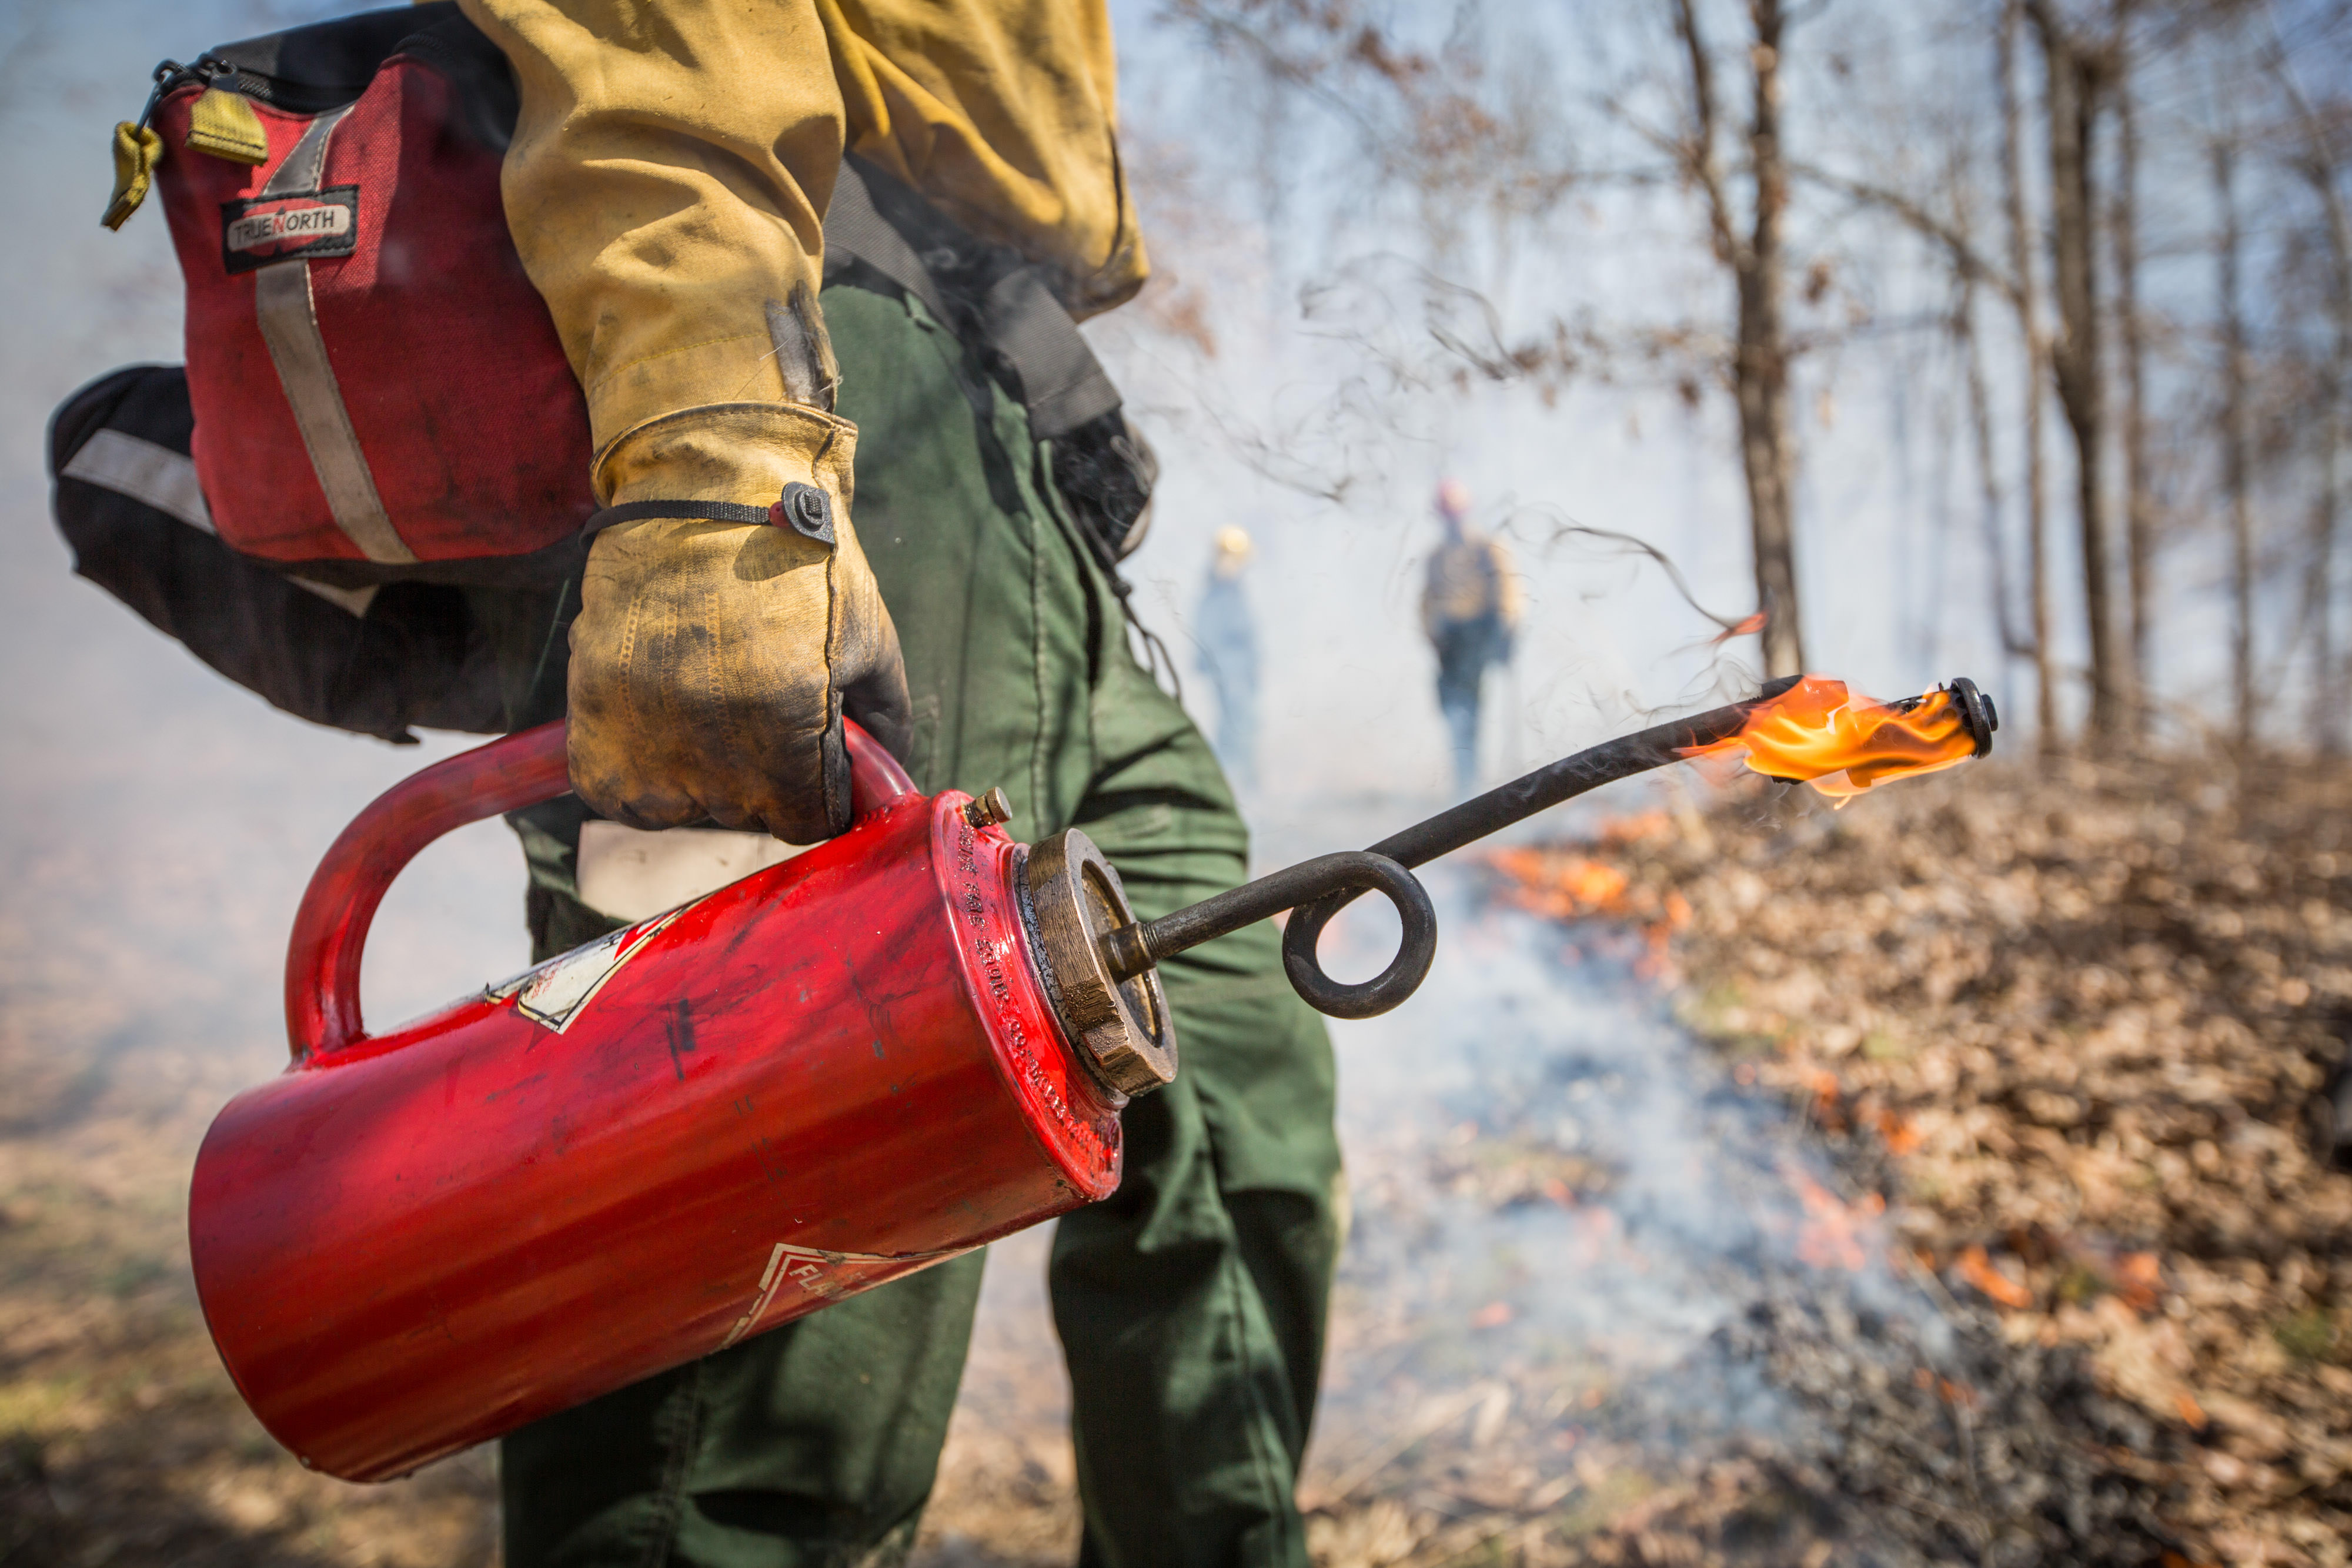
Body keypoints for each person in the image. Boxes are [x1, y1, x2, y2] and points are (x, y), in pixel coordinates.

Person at [72, 5, 1344, 1567]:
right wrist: (719, 476)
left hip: (991, 432)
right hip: (791, 399)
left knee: (1216, 1072)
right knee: (764, 1268)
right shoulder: (745, 447)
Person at [1419, 480, 1523, 794]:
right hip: (1450, 644)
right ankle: (1464, 778)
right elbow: (1427, 602)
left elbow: (1507, 595)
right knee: (1452, 708)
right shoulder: (1436, 556)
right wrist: (1433, 636)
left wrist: (1503, 635)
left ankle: (1475, 783)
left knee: (1471, 709)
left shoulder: (1487, 548)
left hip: (1478, 638)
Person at [1195, 527, 1261, 787]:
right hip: (1229, 672)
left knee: (1242, 728)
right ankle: (1234, 785)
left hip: (1239, 671)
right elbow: (1213, 638)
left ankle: (1241, 783)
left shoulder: (1232, 592)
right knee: (1235, 731)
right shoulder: (1217, 595)